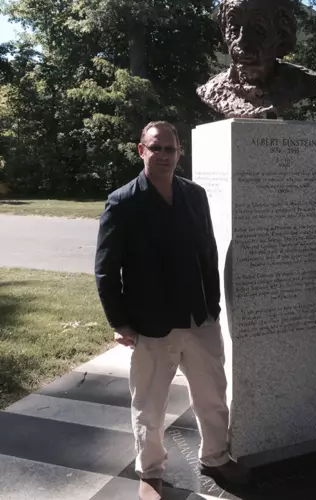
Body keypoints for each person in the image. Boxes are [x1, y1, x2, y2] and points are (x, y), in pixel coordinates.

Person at [94, 121, 249, 500]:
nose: (164, 155)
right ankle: (150, 470)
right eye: (156, 147)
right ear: (140, 150)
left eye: (171, 149)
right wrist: (121, 321)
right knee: (149, 404)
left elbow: (208, 252)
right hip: (151, 325)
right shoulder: (123, 202)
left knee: (212, 395)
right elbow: (106, 269)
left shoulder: (194, 195)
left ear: (180, 153)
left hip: (199, 320)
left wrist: (211, 306)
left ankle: (214, 455)